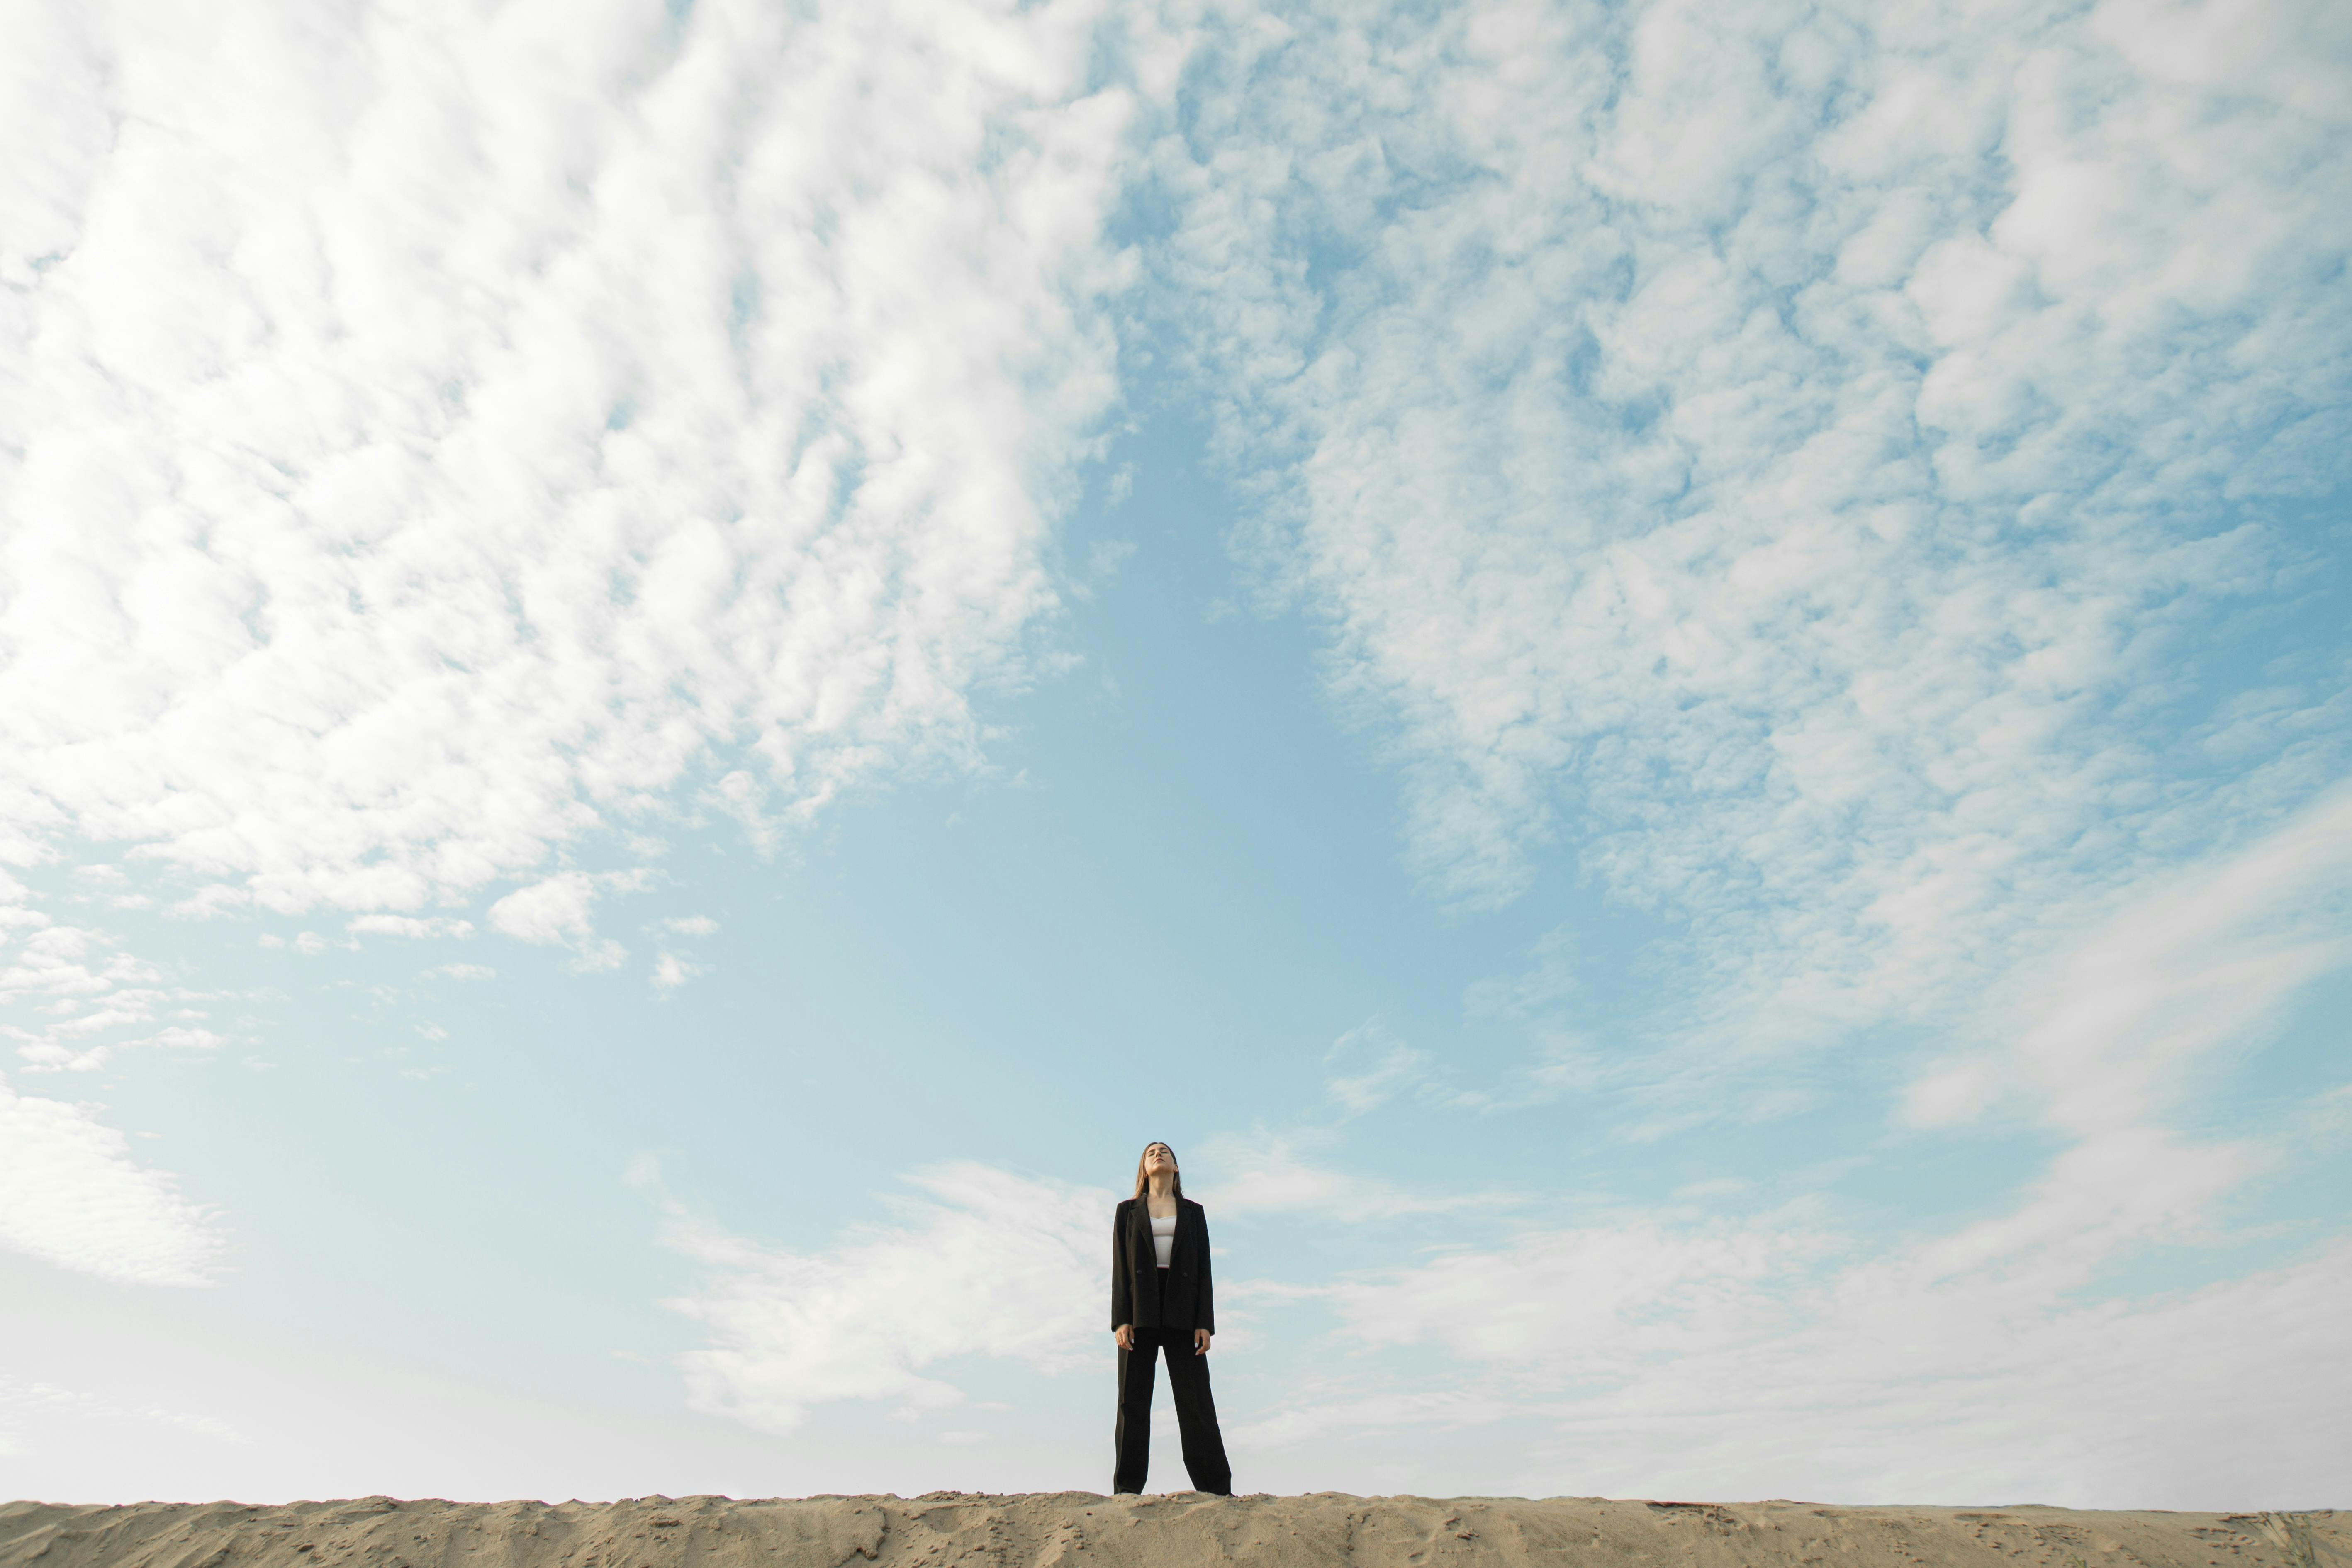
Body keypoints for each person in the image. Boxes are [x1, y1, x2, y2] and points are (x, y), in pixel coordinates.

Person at [1110, 1141, 1233, 1496]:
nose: (1158, 1154)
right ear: (1144, 1168)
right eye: (1151, 1152)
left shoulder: (1194, 1213)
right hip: (1139, 1312)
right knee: (1131, 1403)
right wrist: (1121, 1320)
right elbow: (1119, 1267)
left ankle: (1215, 1488)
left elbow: (1205, 1268)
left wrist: (1205, 1323)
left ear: (1176, 1167)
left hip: (1184, 1311)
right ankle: (1127, 1490)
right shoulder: (1127, 1211)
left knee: (1196, 1402)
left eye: (1165, 1151)